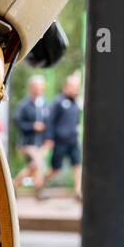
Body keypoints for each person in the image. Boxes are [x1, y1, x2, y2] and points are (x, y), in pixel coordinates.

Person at [45, 73, 83, 201]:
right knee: (55, 169)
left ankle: (78, 190)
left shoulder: (75, 104)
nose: (76, 89)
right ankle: (40, 184)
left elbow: (76, 121)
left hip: (73, 141)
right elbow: (49, 121)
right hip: (60, 141)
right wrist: (49, 138)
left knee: (77, 165)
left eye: (77, 87)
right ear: (66, 87)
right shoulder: (58, 102)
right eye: (73, 87)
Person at [12, 75, 49, 197]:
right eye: (36, 87)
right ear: (31, 88)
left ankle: (13, 185)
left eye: (40, 87)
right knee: (39, 164)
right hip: (27, 142)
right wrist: (33, 126)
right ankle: (39, 191)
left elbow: (48, 123)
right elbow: (17, 122)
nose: (38, 89)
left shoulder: (44, 103)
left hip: (39, 143)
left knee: (33, 167)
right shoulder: (24, 104)